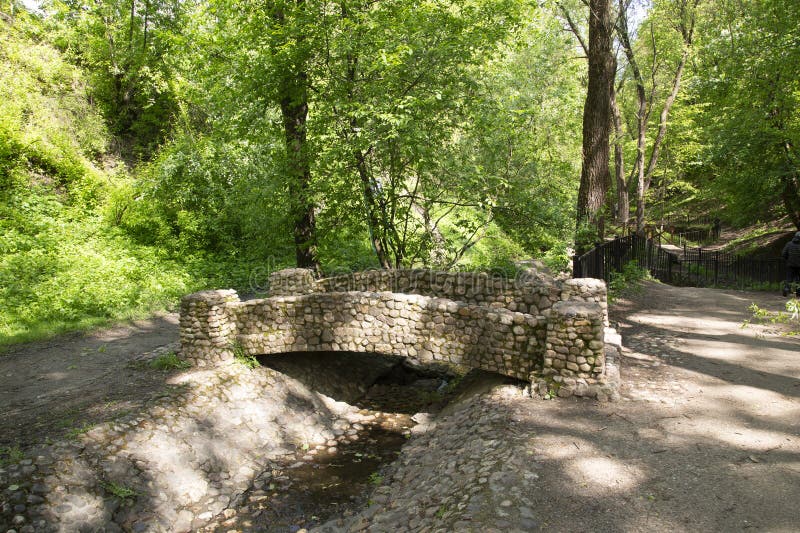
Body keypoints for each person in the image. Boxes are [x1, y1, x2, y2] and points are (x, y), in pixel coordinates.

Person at [781, 231, 800, 297]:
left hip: (790, 265)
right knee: (798, 279)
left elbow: (783, 254)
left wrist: (787, 260)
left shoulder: (789, 244)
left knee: (789, 278)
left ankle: (786, 290)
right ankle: (798, 292)